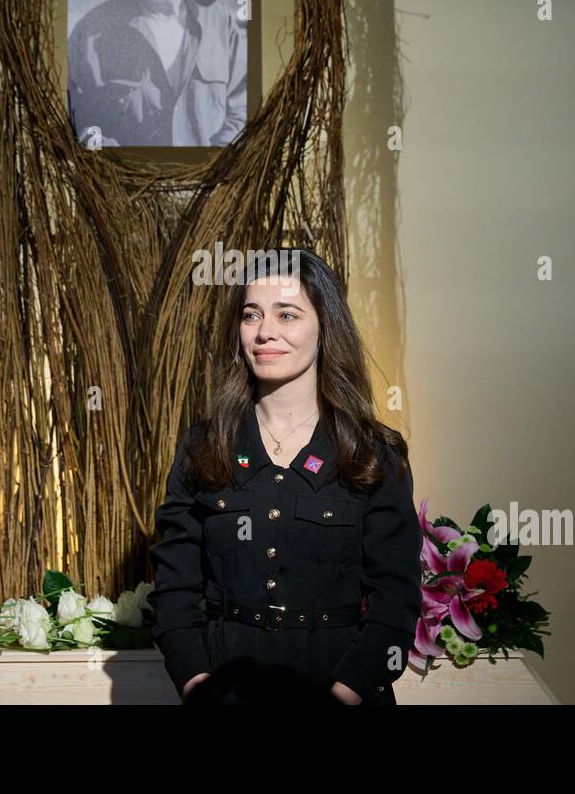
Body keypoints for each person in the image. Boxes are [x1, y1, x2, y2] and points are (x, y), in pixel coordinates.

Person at [148, 248, 423, 704]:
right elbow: (175, 590)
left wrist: (342, 696)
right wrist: (197, 684)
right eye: (251, 315)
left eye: (287, 315)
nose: (265, 332)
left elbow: (396, 602)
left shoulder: (374, 455)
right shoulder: (203, 449)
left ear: (325, 328)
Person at [67, 0, 247, 147]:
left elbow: (241, 106)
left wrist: (215, 161)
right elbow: (74, 113)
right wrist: (119, 164)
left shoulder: (222, 24)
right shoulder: (92, 31)